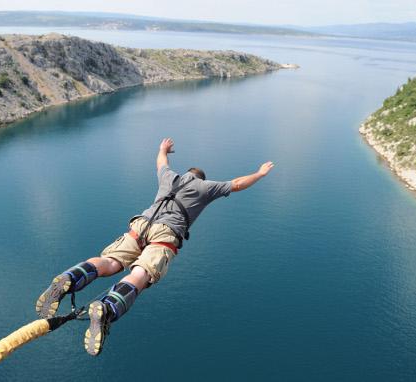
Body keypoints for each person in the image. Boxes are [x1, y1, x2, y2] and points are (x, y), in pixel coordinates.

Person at [35, 138, 274, 356]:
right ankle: (106, 309)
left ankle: (68, 277)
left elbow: (161, 162)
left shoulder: (169, 177)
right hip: (165, 233)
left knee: (109, 262)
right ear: (200, 178)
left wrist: (163, 149)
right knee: (141, 273)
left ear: (187, 173)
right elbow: (238, 183)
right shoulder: (205, 187)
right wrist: (260, 174)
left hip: (141, 225)